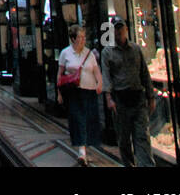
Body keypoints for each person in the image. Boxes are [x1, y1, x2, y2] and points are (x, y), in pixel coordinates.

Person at [101, 17, 155, 167]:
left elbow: (144, 73)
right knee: (124, 139)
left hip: (137, 98)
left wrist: (151, 96)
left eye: (121, 28)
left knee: (142, 137)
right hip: (120, 100)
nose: (119, 32)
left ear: (126, 29)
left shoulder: (136, 49)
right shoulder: (108, 52)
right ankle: (129, 164)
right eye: (116, 29)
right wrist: (109, 97)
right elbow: (106, 77)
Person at [57, 22, 104, 166]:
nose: (83, 40)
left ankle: (85, 147)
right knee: (78, 119)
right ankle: (82, 150)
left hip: (89, 90)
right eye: (80, 37)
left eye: (84, 37)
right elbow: (60, 75)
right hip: (74, 92)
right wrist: (59, 93)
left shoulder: (89, 53)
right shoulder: (65, 53)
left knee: (89, 119)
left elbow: (96, 71)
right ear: (73, 39)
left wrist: (100, 83)